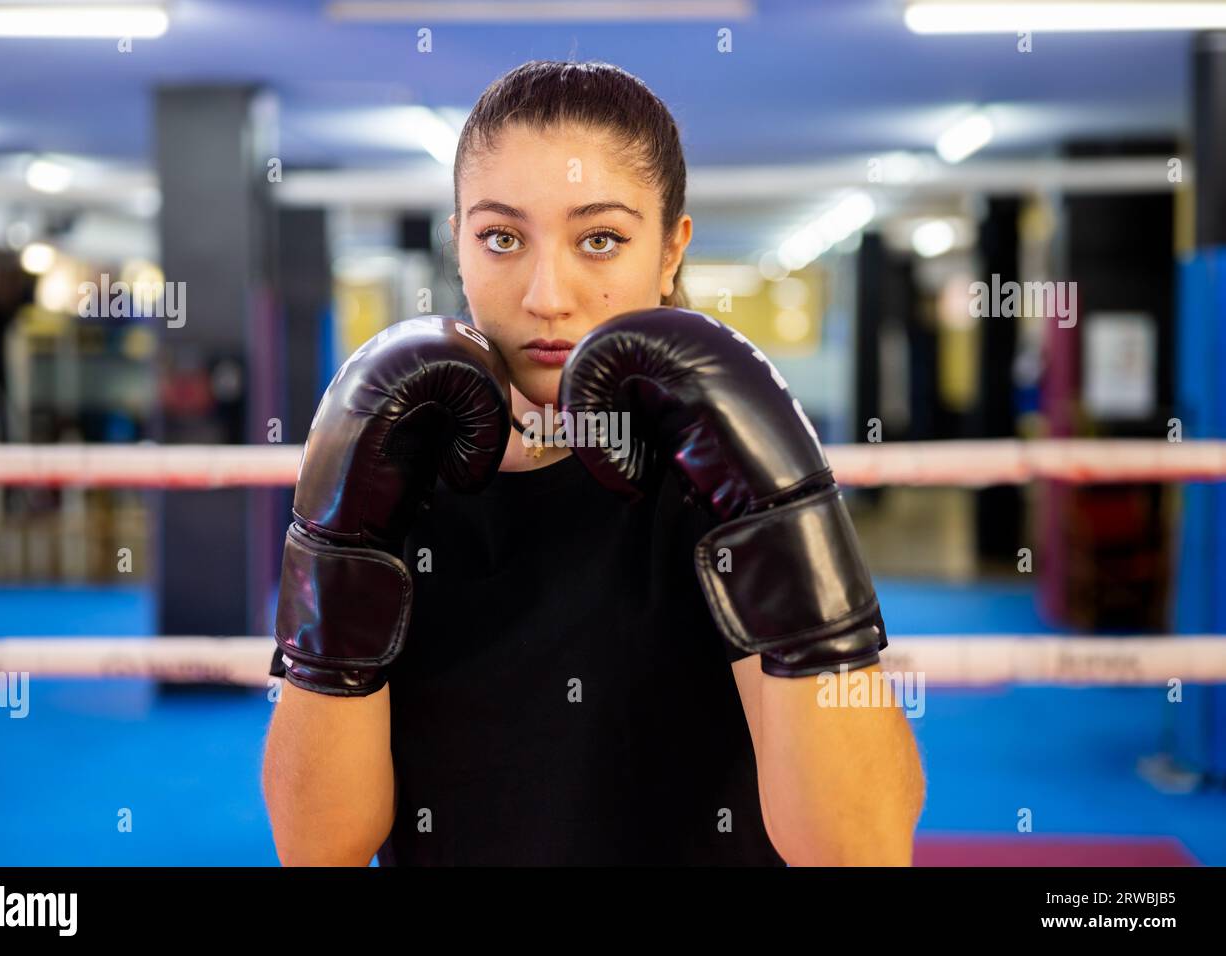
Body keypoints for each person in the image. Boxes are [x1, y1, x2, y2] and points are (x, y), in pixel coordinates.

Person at [262, 59, 925, 866]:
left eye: (601, 239)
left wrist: (778, 509)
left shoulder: (718, 479)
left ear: (671, 248)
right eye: (501, 238)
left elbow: (859, 849)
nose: (548, 294)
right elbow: (318, 848)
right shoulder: (398, 473)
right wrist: (343, 543)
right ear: (459, 244)